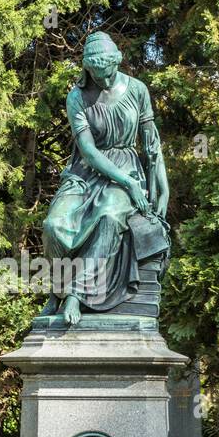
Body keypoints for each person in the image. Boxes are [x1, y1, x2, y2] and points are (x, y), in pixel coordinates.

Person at [42, 31, 169, 324]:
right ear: (88, 69)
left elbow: (152, 146)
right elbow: (87, 150)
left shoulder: (137, 90)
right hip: (86, 172)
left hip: (126, 167)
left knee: (110, 217)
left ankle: (75, 295)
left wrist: (162, 189)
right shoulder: (77, 96)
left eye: (107, 73)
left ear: (116, 63)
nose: (103, 81)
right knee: (53, 225)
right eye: (96, 75)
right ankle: (58, 290)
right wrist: (129, 184)